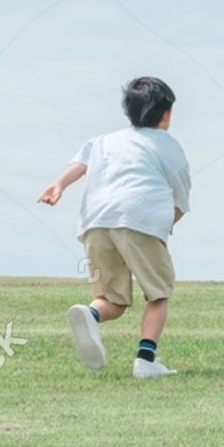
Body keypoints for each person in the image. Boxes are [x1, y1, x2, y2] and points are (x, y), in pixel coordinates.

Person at [37, 76, 190, 378]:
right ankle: (146, 361)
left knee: (112, 300)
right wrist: (166, 223)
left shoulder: (105, 140)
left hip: (95, 223)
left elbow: (80, 165)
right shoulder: (169, 146)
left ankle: (91, 314)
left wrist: (58, 185)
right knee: (157, 295)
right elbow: (181, 198)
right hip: (139, 222)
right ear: (167, 113)